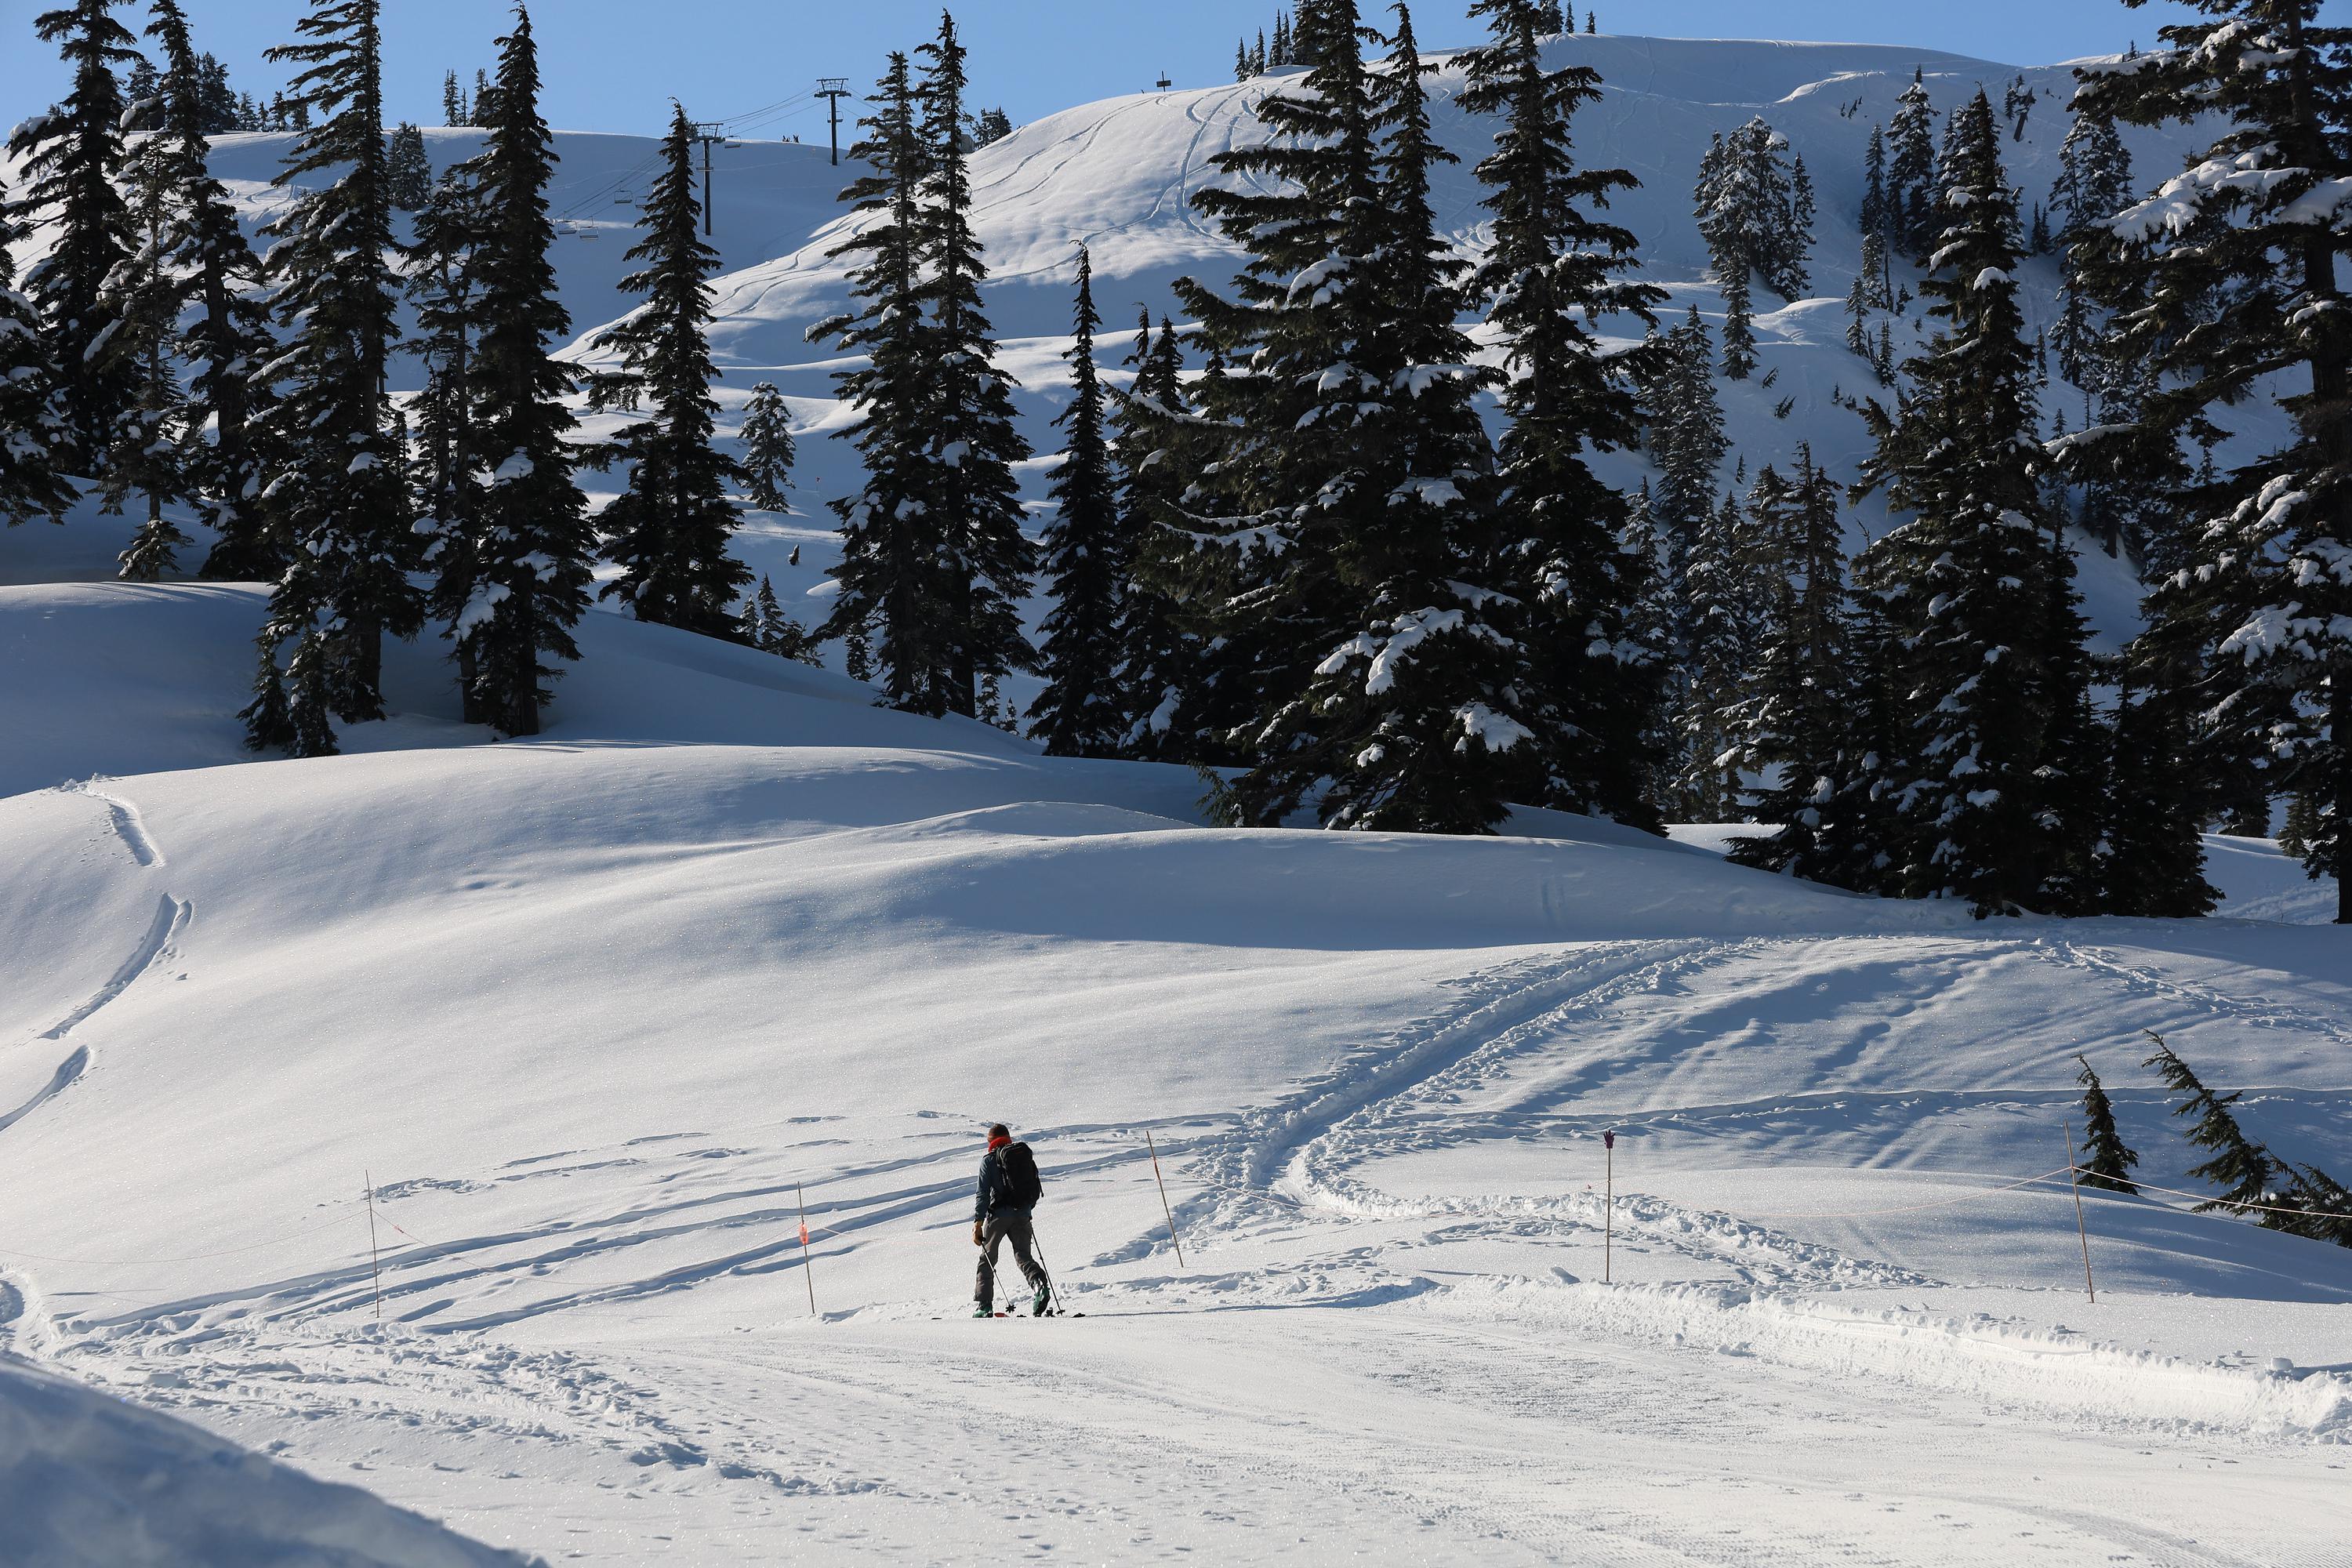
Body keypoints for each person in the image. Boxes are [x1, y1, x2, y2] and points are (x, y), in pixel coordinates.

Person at [972, 1123, 1051, 1316]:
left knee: (987, 1260)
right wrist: (1025, 1210)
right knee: (1023, 1256)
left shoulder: (989, 1160)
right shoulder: (1022, 1157)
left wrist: (978, 1223)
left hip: (998, 1215)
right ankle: (1039, 1285)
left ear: (990, 1142)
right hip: (1023, 1213)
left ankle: (984, 1306)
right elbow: (1032, 1185)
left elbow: (982, 1194)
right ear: (1008, 1138)